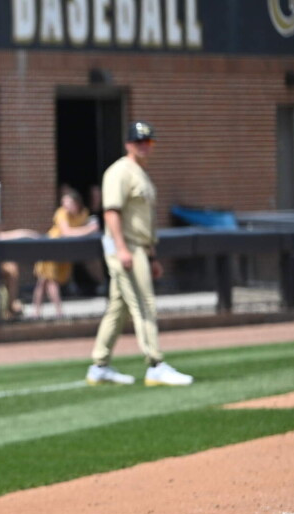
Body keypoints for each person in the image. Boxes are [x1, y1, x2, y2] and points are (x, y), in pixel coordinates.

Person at [87, 122, 193, 387]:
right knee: (144, 303)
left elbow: (144, 219)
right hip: (126, 247)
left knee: (118, 308)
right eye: (139, 141)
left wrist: (152, 255)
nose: (144, 145)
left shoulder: (141, 173)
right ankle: (155, 364)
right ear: (128, 144)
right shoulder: (119, 171)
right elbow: (111, 212)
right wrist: (122, 249)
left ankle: (99, 365)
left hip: (140, 247)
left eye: (148, 141)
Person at [32, 188, 99, 318]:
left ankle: (43, 312)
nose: (65, 206)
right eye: (64, 203)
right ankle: (53, 312)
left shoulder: (83, 213)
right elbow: (67, 232)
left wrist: (90, 228)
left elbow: (92, 228)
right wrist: (88, 230)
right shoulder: (61, 213)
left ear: (76, 204)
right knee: (46, 280)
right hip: (50, 248)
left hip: (65, 250)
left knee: (51, 280)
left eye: (68, 203)